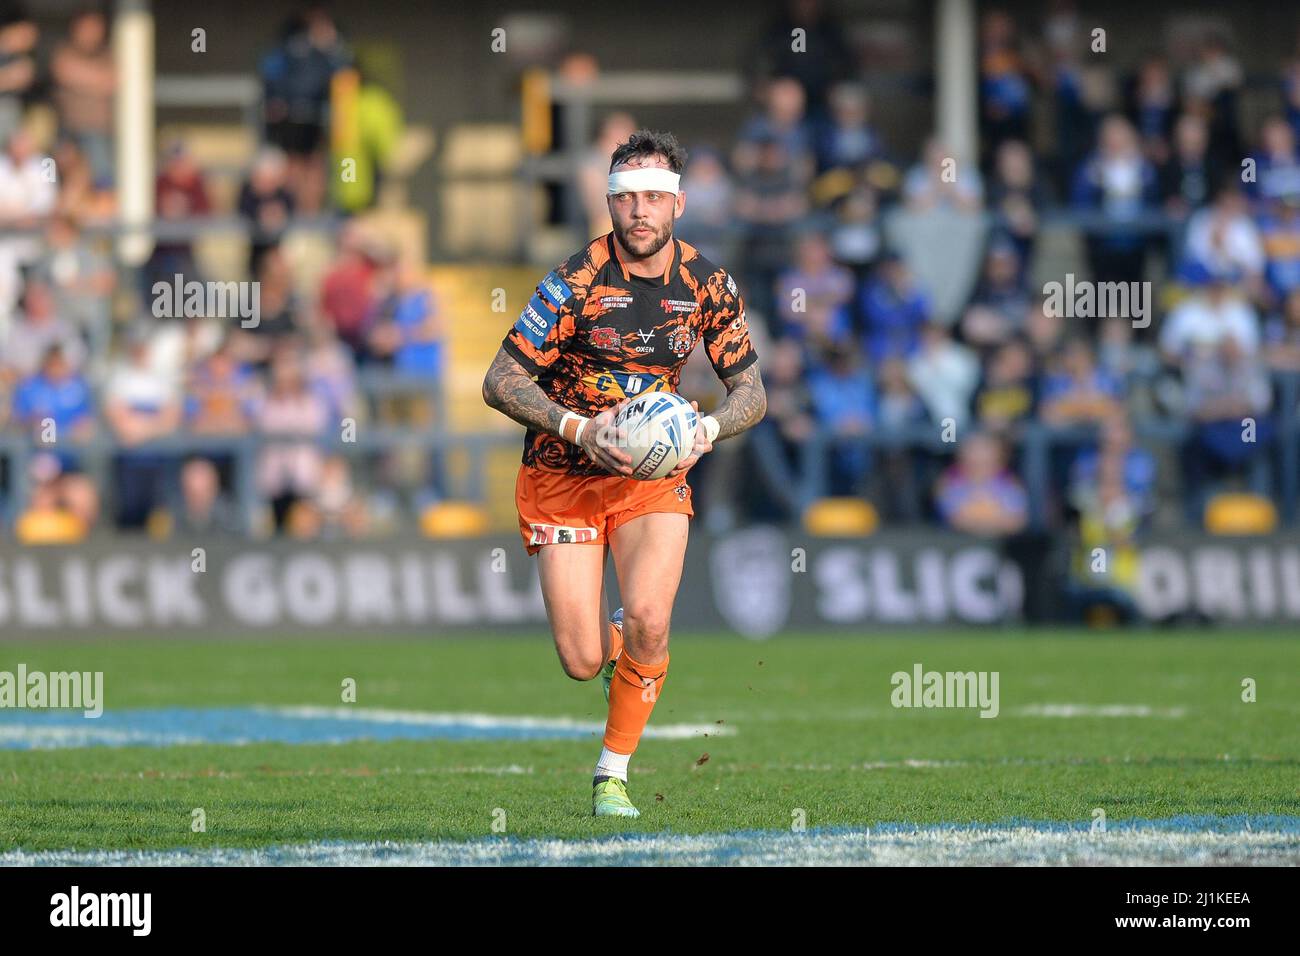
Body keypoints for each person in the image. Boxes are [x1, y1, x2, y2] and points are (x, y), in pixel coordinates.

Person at [482, 130, 766, 818]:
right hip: (562, 474)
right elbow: (500, 380)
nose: (640, 211)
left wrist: (705, 429)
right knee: (582, 659)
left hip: (650, 476)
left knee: (649, 618)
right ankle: (625, 651)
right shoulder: (574, 281)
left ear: (678, 206)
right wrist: (580, 428)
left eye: (654, 198)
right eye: (626, 198)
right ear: (610, 205)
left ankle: (612, 774)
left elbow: (752, 394)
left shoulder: (707, 284)